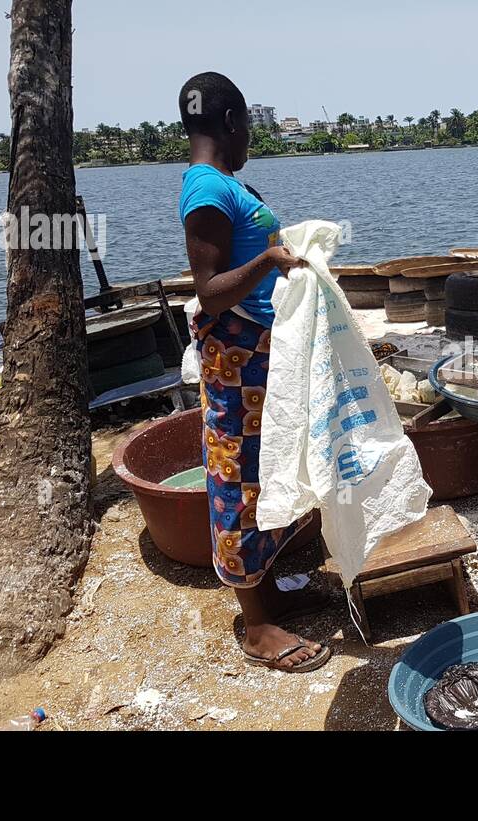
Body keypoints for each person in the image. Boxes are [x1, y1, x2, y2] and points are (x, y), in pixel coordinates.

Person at [178, 71, 330, 672]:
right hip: (238, 357)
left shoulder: (226, 186)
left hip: (261, 354)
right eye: (248, 131)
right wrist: (270, 258)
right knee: (238, 478)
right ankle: (257, 623)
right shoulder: (206, 192)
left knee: (275, 468)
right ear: (234, 122)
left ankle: (272, 588)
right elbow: (210, 292)